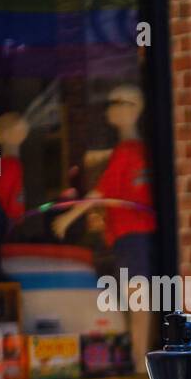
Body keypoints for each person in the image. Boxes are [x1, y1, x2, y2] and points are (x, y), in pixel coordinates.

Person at [51, 84, 155, 278]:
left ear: (133, 109)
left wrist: (68, 218)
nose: (109, 109)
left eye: (115, 103)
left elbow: (99, 192)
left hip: (130, 234)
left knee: (137, 299)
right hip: (145, 233)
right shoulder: (143, 151)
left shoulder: (125, 152)